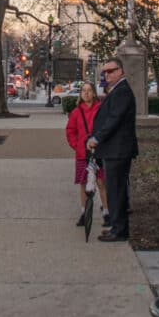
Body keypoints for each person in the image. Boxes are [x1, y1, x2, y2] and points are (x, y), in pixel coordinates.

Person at [86, 57, 138, 242]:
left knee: (116, 191)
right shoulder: (116, 90)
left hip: (118, 150)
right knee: (114, 190)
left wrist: (96, 138)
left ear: (121, 71)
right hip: (114, 150)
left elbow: (114, 119)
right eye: (105, 72)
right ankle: (117, 226)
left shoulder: (122, 91)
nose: (107, 75)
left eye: (111, 71)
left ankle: (119, 230)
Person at [65, 82, 108, 228]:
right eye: (84, 91)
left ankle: (106, 212)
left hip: (99, 152)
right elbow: (70, 131)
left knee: (102, 183)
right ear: (81, 94)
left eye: (89, 90)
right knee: (83, 184)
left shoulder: (101, 109)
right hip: (83, 154)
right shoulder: (76, 112)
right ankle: (83, 213)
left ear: (94, 93)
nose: (86, 93)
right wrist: (76, 145)